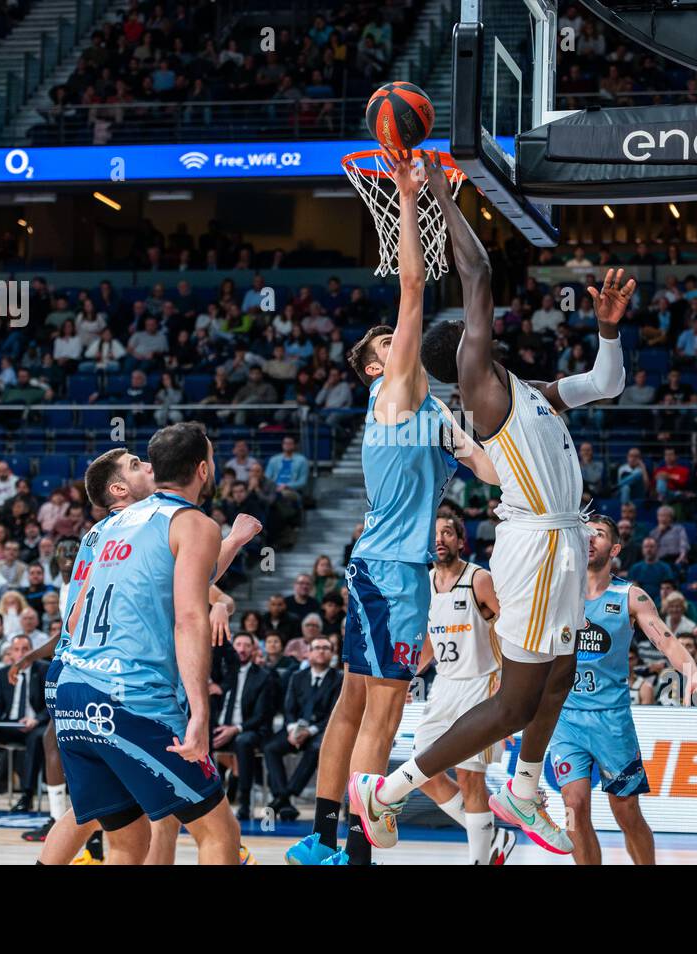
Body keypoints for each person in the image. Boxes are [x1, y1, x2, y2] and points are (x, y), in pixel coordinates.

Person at [352, 153, 697, 859]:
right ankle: (388, 790)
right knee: (516, 699)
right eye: (477, 336)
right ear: (468, 352)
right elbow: (475, 275)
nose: (488, 331)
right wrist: (450, 195)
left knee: (561, 674)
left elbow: (606, 383)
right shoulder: (479, 384)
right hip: (536, 546)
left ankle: (524, 787)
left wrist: (607, 327)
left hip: (563, 542)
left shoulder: (529, 388)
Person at [285, 154, 496, 867]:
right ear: (378, 366)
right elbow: (411, 283)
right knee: (385, 708)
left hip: (377, 567)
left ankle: (319, 837)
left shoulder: (432, 413)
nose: (398, 342)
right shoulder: (396, 389)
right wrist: (408, 197)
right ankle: (356, 849)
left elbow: (488, 467)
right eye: (387, 344)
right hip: (393, 570)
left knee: (351, 704)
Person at [56, 422, 240, 865]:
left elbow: (76, 612)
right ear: (203, 469)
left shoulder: (109, 525)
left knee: (126, 840)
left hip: (72, 691)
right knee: (219, 832)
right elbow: (189, 617)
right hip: (130, 698)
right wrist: (199, 712)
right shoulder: (193, 523)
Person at [552, 516, 697, 865]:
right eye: (585, 535)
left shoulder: (630, 595)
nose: (590, 540)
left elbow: (666, 641)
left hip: (611, 720)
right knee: (573, 808)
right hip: (565, 719)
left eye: (600, 535)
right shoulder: (559, 590)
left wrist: (693, 674)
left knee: (626, 812)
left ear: (616, 549)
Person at [410, 515, 516, 865]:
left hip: (481, 683)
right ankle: (495, 835)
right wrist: (410, 674)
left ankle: (479, 858)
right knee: (418, 771)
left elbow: (512, 624)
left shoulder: (479, 579)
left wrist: (509, 675)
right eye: (435, 533)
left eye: (447, 533)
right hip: (444, 686)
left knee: (470, 778)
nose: (440, 538)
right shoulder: (424, 584)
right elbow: (429, 641)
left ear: (460, 541)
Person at [264, 637, 342, 821]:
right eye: (317, 648)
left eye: (325, 648)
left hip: (321, 731)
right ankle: (285, 801)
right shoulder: (297, 677)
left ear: (332, 654)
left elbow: (335, 714)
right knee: (270, 747)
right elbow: (288, 708)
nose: (321, 651)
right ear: (308, 653)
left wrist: (311, 731)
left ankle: (283, 796)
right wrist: (293, 730)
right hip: (296, 729)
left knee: (317, 748)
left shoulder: (339, 679)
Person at [0, 634, 50, 812]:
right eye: (17, 649)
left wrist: (36, 719)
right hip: (10, 724)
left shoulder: (44, 670)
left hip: (33, 725)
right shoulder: (3, 673)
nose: (21, 653)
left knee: (36, 738)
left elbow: (52, 704)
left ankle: (27, 795)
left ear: (32, 651)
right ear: (11, 653)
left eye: (25, 649)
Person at [212, 632, 279, 820]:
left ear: (254, 649)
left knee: (243, 741)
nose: (241, 649)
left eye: (246, 645)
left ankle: (244, 801)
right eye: (238, 644)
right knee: (201, 739)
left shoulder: (263, 677)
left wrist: (235, 728)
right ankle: (205, 802)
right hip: (220, 727)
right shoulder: (222, 673)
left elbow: (262, 715)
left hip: (249, 730)